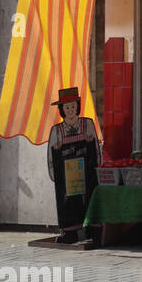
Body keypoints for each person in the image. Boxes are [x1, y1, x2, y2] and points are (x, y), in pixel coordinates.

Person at [47, 86, 101, 244]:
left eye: (73, 106)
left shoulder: (88, 124)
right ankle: (70, 232)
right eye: (67, 107)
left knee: (89, 198)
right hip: (66, 176)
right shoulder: (57, 131)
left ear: (77, 106)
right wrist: (53, 175)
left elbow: (96, 149)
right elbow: (51, 156)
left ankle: (92, 229)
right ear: (62, 110)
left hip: (87, 171)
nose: (70, 110)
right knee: (69, 203)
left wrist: (98, 166)